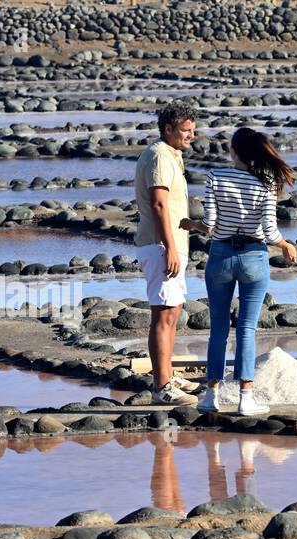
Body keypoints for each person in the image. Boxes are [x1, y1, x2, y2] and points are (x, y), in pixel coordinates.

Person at [187, 126, 297, 417]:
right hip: (253, 257)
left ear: (233, 151)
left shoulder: (216, 176)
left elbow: (209, 224)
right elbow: (271, 232)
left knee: (219, 329)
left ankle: (211, 395)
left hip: (221, 255)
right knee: (247, 329)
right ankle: (245, 398)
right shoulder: (265, 182)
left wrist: (190, 225)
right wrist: (285, 245)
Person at [134, 100, 201, 405]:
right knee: (163, 314)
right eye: (186, 130)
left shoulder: (171, 155)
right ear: (168, 128)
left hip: (171, 243)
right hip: (162, 245)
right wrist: (170, 247)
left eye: (193, 130)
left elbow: (171, 207)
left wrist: (193, 225)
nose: (191, 136)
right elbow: (158, 203)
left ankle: (167, 376)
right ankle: (162, 388)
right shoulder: (160, 155)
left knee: (172, 311)